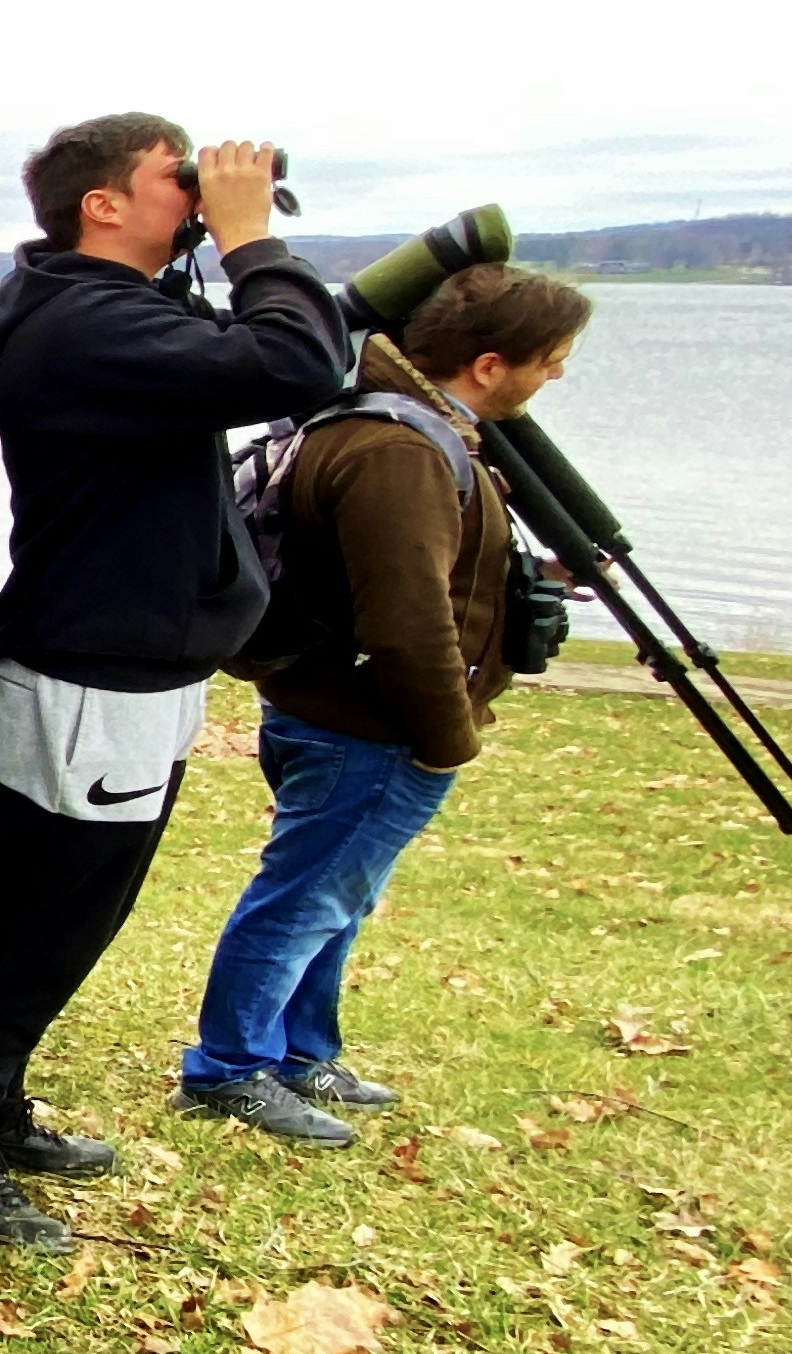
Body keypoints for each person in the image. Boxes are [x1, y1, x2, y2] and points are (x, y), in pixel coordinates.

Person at [0, 117, 348, 1251]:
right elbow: (296, 364)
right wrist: (248, 241)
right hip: (97, 674)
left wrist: (237, 248)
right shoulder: (92, 319)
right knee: (47, 930)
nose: (196, 192)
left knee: (42, 918)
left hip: (117, 660)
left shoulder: (97, 307)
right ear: (103, 203)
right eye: (173, 176)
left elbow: (295, 350)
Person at [181, 263, 591, 1138]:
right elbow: (407, 620)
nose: (554, 376)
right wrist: (449, 737)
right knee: (305, 896)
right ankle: (229, 1068)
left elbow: (407, 570)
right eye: (550, 360)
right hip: (365, 723)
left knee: (336, 894)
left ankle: (300, 1052)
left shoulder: (397, 426)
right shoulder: (399, 448)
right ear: (487, 364)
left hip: (340, 709)